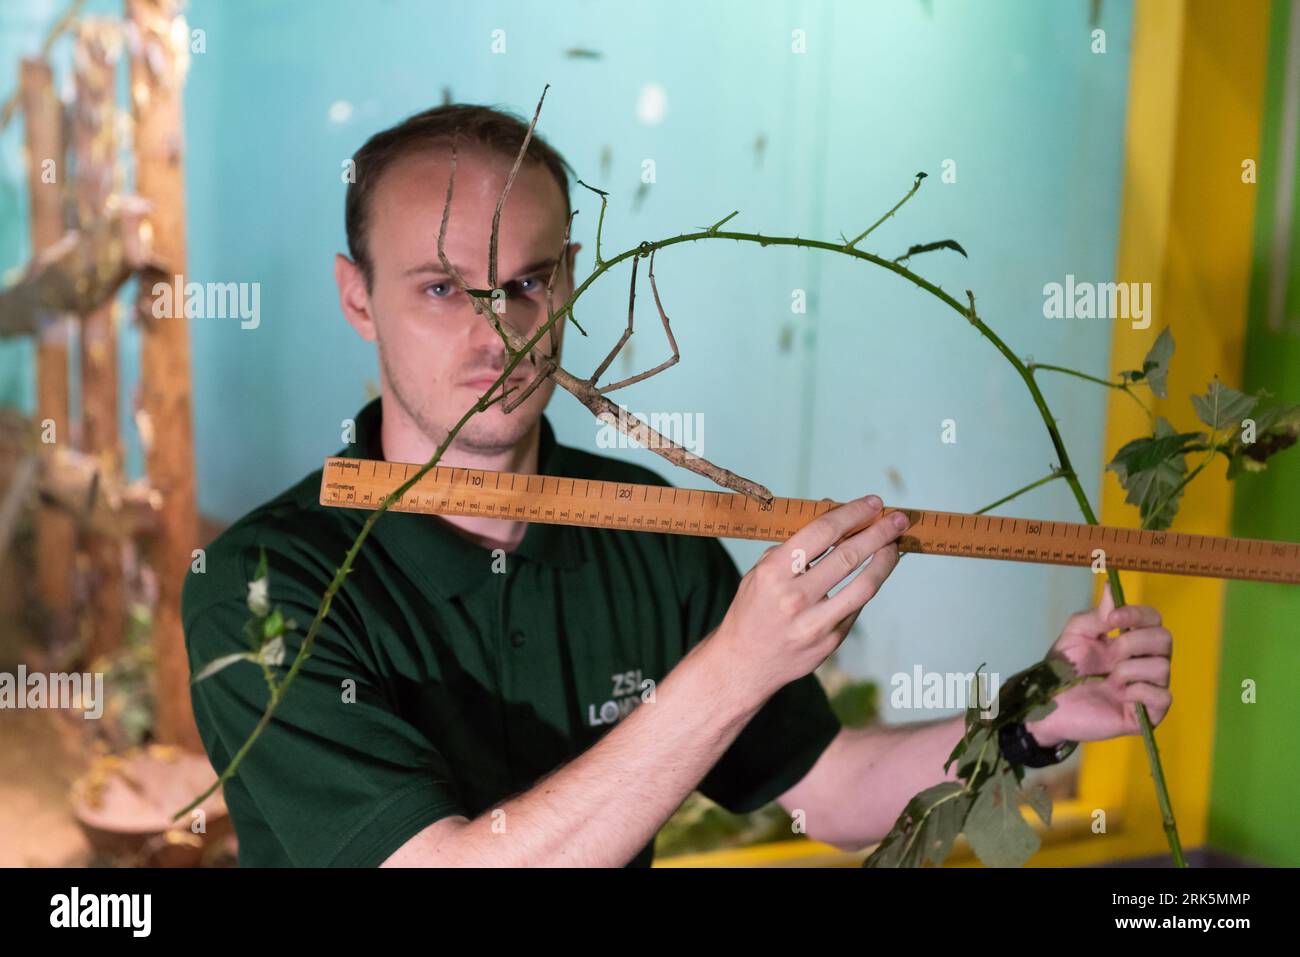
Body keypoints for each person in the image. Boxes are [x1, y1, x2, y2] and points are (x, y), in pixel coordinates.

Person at [182, 104, 1173, 867]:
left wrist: (1032, 716)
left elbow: (823, 792)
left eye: (528, 282)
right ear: (357, 296)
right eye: (442, 289)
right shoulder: (261, 584)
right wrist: (732, 668)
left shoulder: (644, 525)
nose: (499, 333)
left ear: (568, 278)